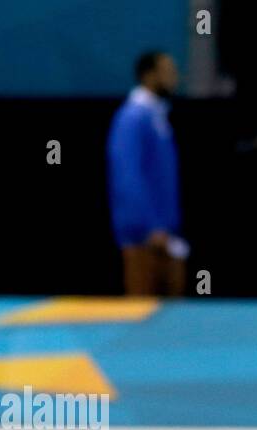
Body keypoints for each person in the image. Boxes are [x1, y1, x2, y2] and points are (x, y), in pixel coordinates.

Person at [107, 51, 186, 298]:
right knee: (143, 319)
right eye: (168, 72)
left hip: (166, 235)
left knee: (172, 323)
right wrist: (148, 227)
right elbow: (126, 176)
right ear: (149, 75)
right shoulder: (133, 117)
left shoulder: (157, 116)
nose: (175, 78)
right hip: (145, 238)